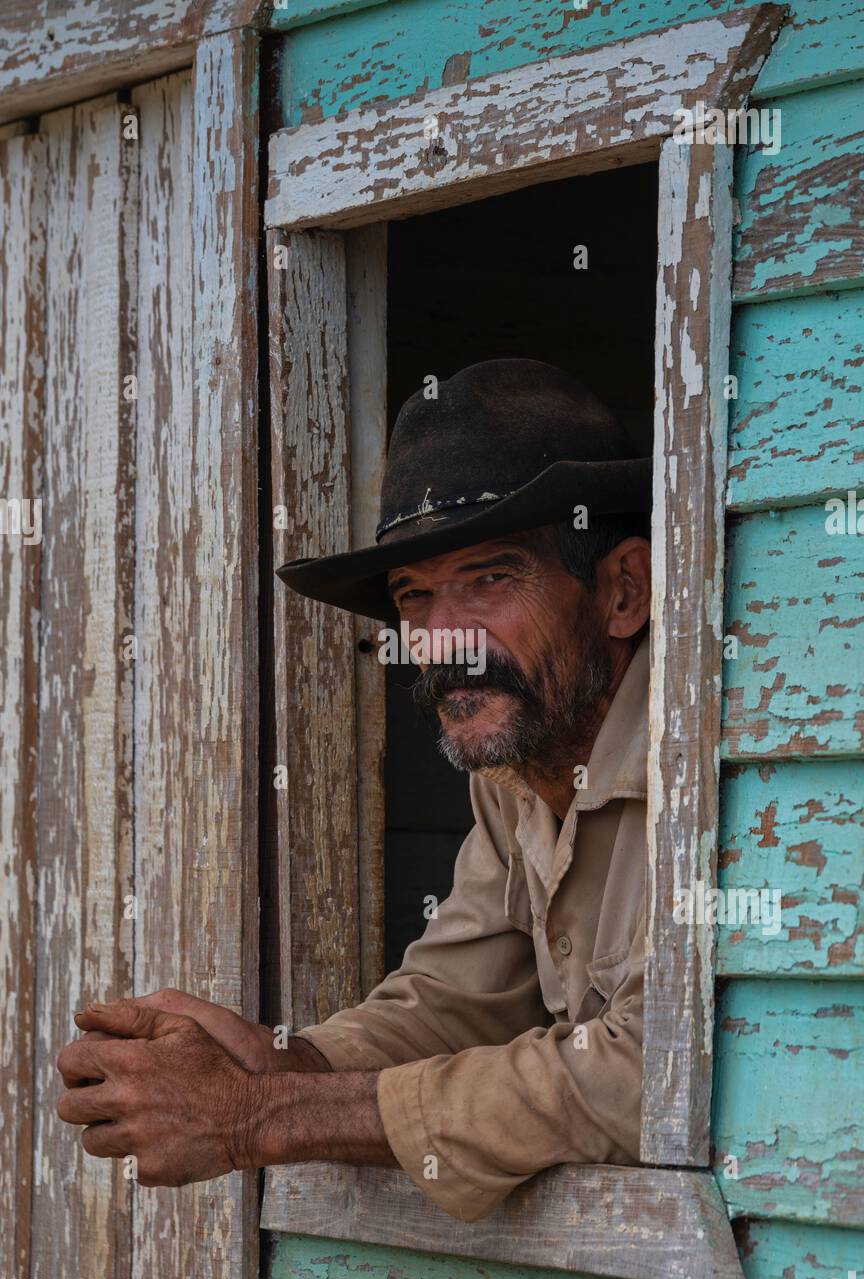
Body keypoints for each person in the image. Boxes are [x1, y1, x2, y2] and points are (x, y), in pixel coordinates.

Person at [58, 358, 653, 1223]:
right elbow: (454, 1000)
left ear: (622, 590)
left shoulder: (729, 769)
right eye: (415, 597)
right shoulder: (519, 775)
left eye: (490, 579)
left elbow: (650, 1072)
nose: (440, 642)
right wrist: (274, 1064)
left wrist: (257, 1117)